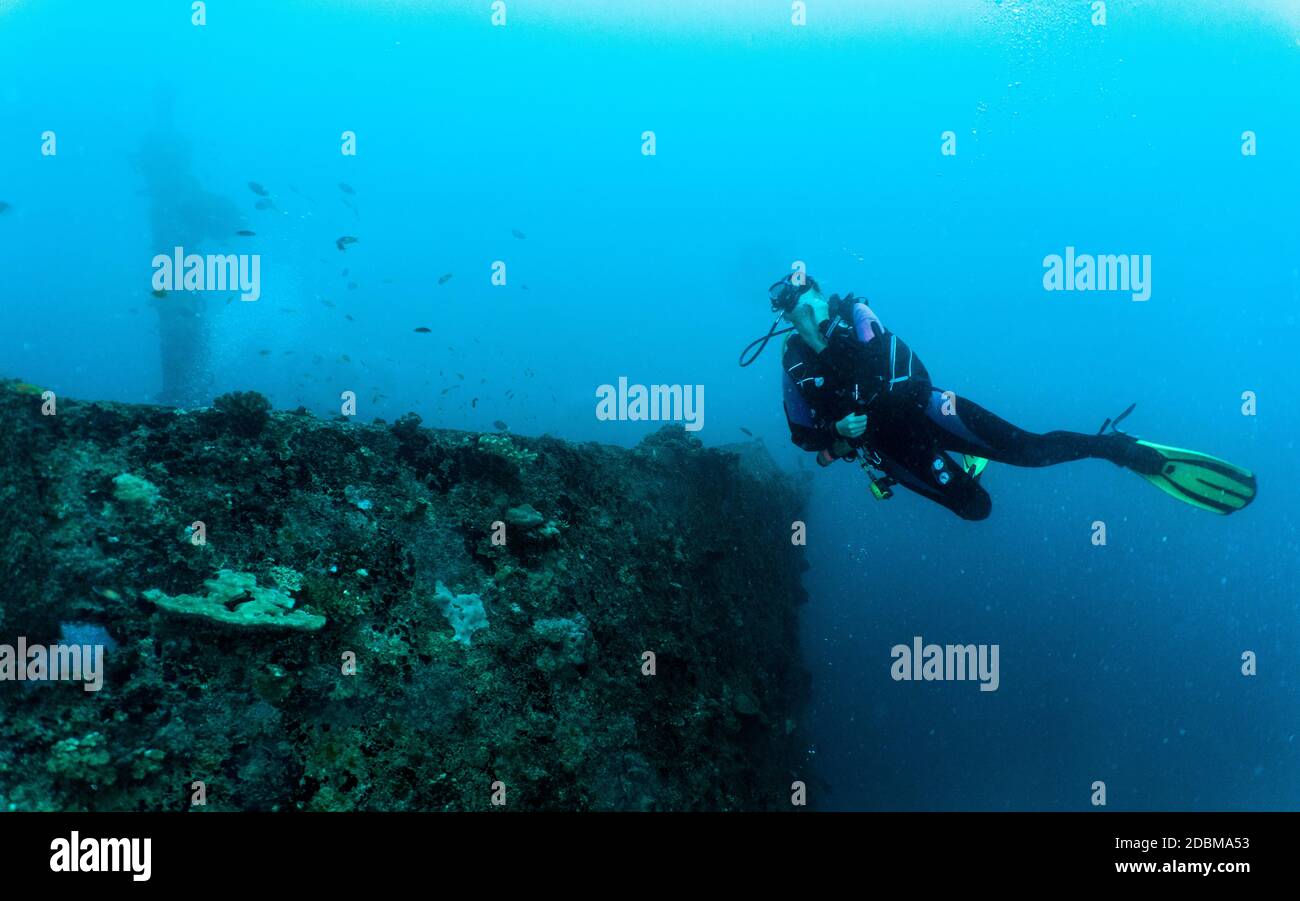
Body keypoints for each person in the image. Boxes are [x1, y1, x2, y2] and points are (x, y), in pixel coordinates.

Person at [744, 273, 1256, 520]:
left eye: (809, 297)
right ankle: (967, 470)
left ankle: (1116, 449)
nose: (806, 310)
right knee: (976, 509)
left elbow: (908, 379)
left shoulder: (858, 318)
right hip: (889, 449)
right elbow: (803, 437)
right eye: (795, 310)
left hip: (928, 410)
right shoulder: (791, 363)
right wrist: (835, 435)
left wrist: (832, 351)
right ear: (785, 319)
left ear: (820, 292)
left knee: (1029, 451)